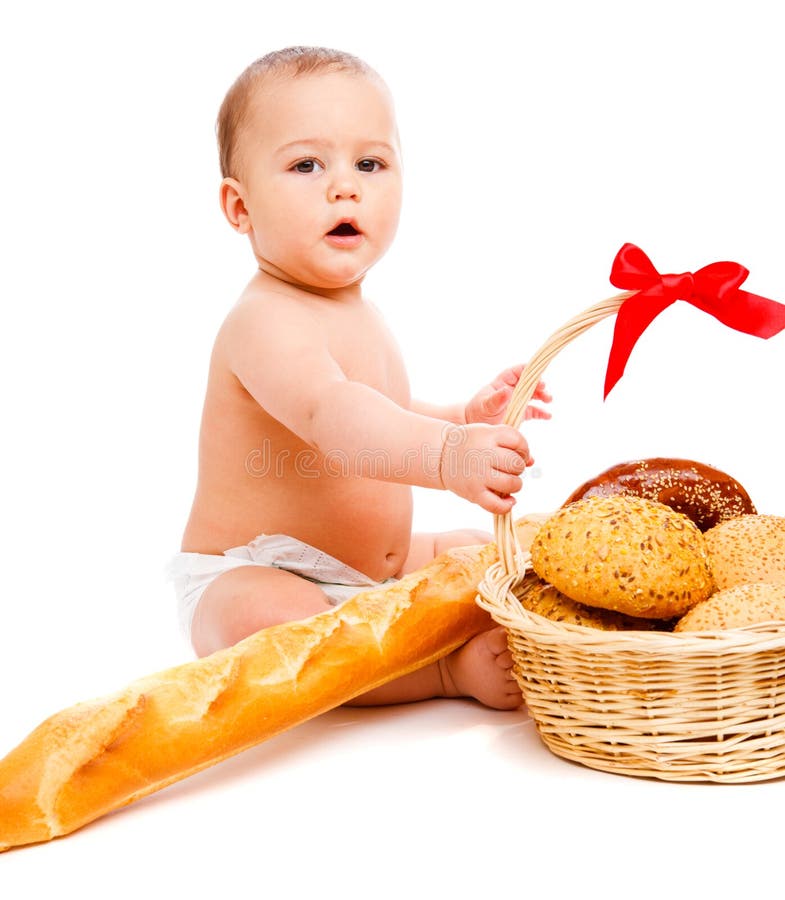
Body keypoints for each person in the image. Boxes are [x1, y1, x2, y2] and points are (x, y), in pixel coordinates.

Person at [169, 46, 550, 710]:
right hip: (257, 571)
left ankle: (409, 632)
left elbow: (385, 409)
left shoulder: (360, 313)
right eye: (306, 165)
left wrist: (460, 417)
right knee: (276, 623)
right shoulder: (264, 321)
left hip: (376, 566)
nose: (344, 187)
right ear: (239, 206)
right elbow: (335, 417)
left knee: (480, 555)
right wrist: (446, 454)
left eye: (369, 164)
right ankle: (438, 673)